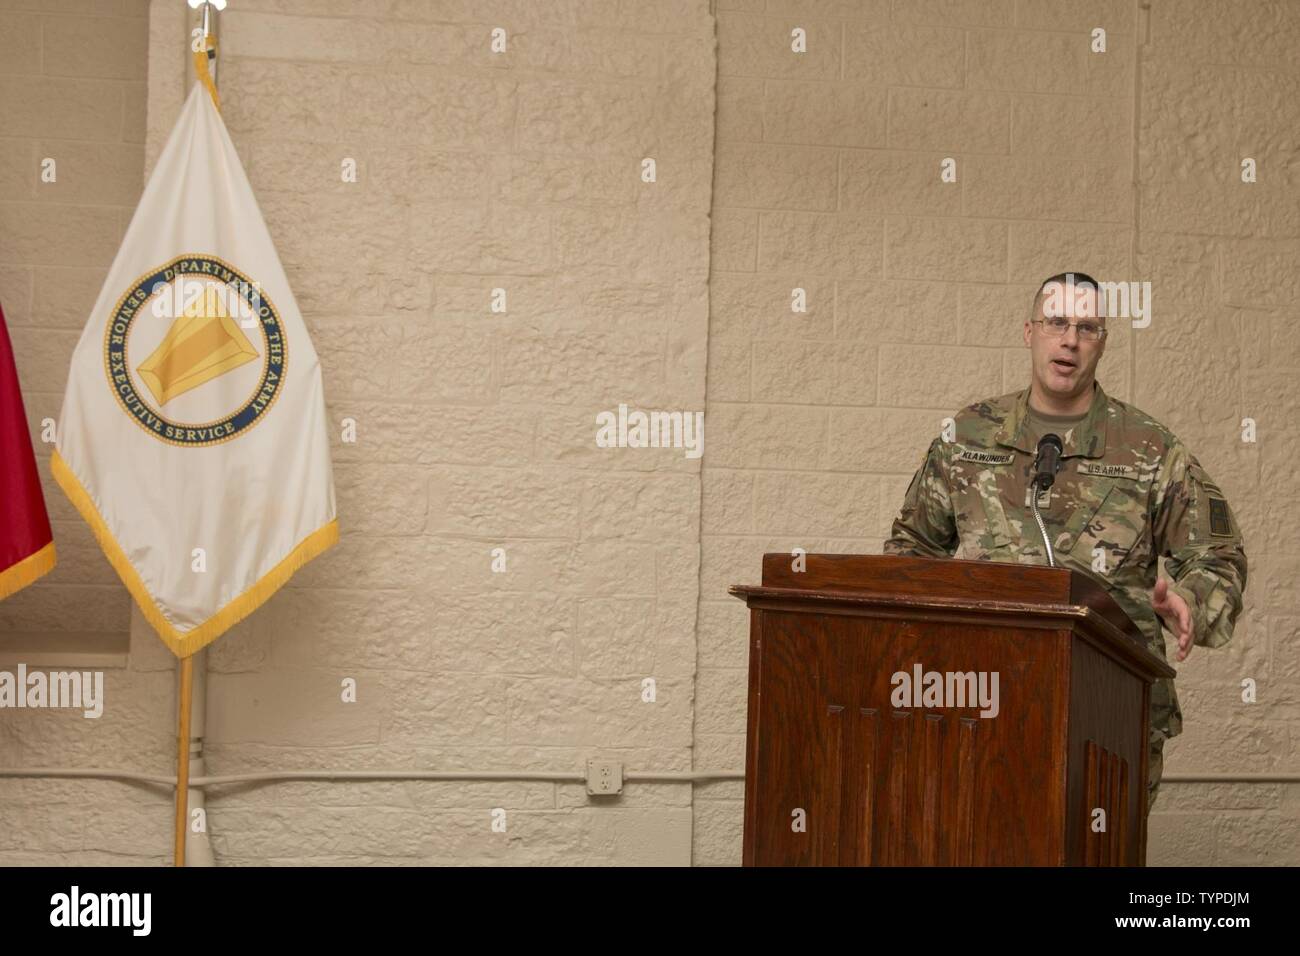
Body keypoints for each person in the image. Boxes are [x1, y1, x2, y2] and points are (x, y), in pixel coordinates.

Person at [882, 272, 1248, 811]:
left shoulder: (1148, 448)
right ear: (1029, 331)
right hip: (979, 701)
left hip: (1109, 710)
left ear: (1102, 341)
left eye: (1087, 327)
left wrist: (1189, 601)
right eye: (1056, 322)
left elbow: (1218, 557)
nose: (1069, 339)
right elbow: (911, 548)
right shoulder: (970, 435)